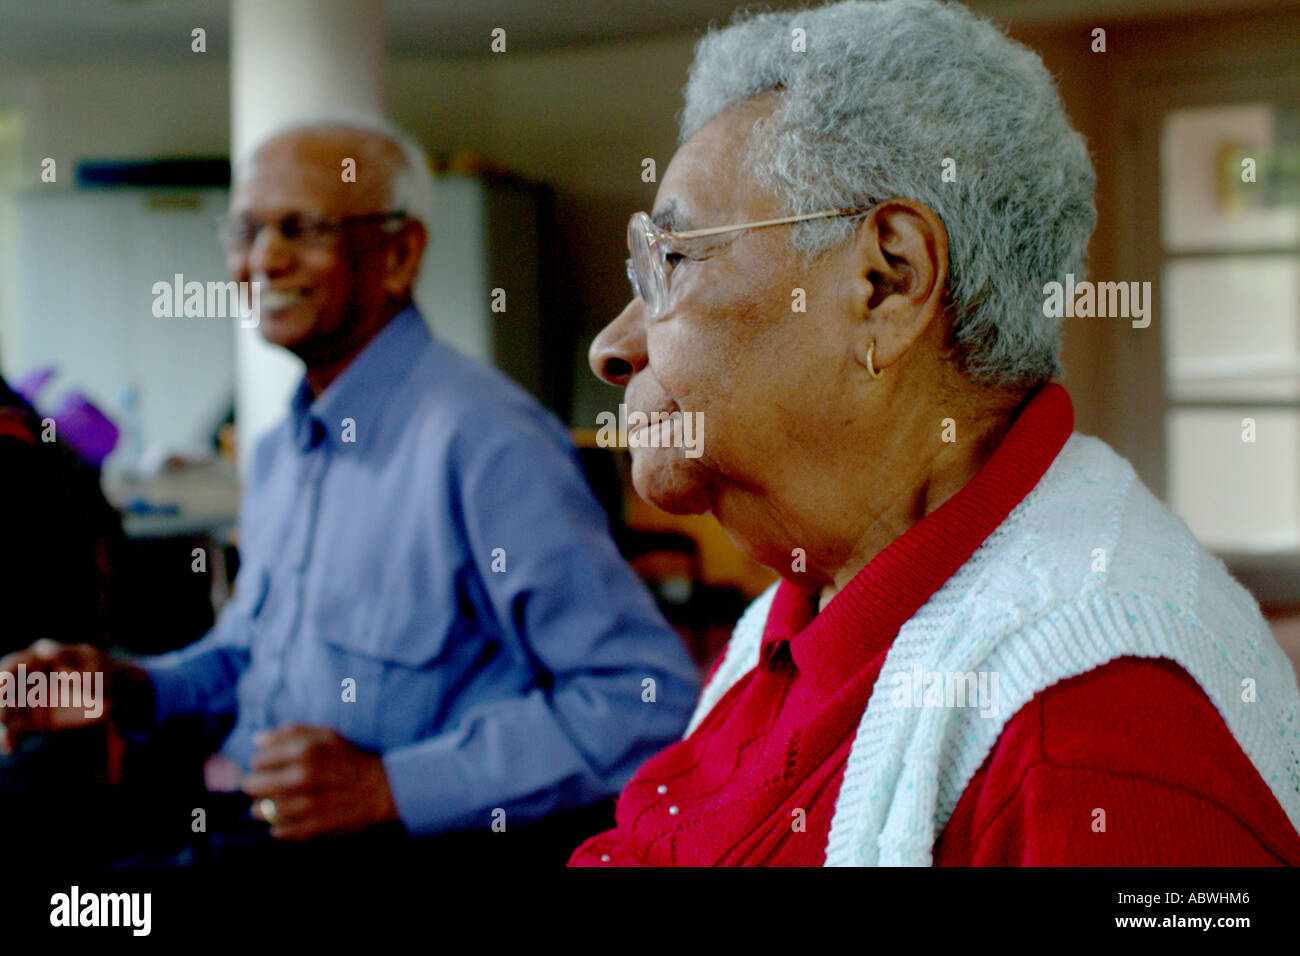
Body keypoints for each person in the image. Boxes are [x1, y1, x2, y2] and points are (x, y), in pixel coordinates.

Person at [571, 0, 1300, 866]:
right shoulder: (811, 594)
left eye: (673, 263)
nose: (612, 348)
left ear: (888, 282)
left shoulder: (1086, 745)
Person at [0, 117, 699, 865]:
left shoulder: (485, 441)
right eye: (244, 231)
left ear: (398, 254)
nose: (263, 259)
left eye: (301, 229)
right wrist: (126, 686)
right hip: (243, 823)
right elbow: (251, 654)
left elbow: (643, 698)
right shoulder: (279, 451)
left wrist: (390, 785)